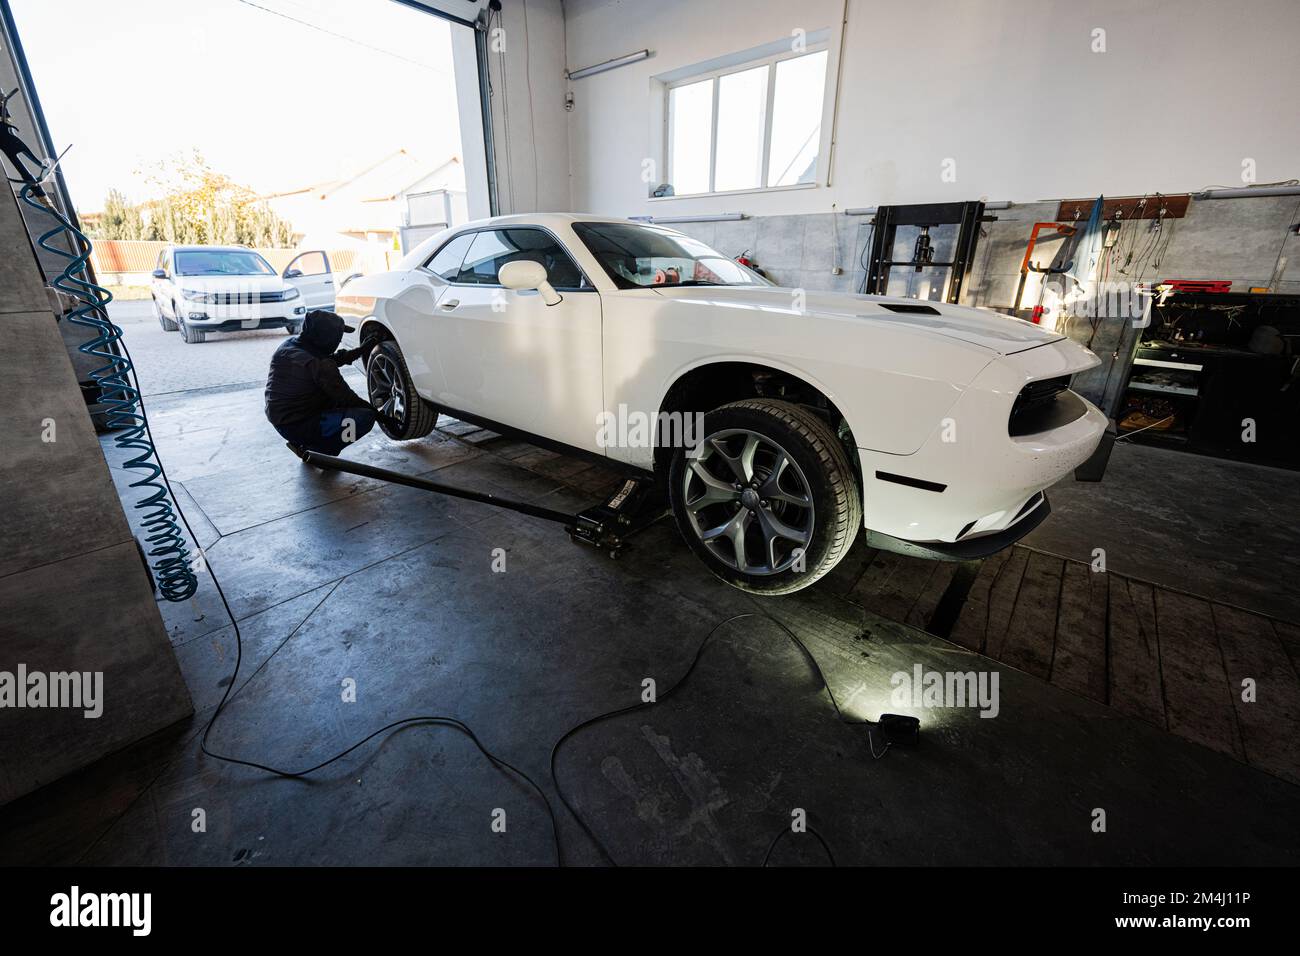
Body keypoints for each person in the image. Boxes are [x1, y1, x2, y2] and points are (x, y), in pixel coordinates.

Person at [264, 309, 382, 458]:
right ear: (326, 339)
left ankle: (305, 442)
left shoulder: (290, 346)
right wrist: (381, 417)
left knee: (334, 402)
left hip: (282, 420)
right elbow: (347, 398)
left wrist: (361, 350)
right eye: (337, 338)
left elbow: (330, 360)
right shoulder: (320, 364)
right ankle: (322, 451)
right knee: (364, 418)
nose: (339, 342)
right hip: (299, 425)